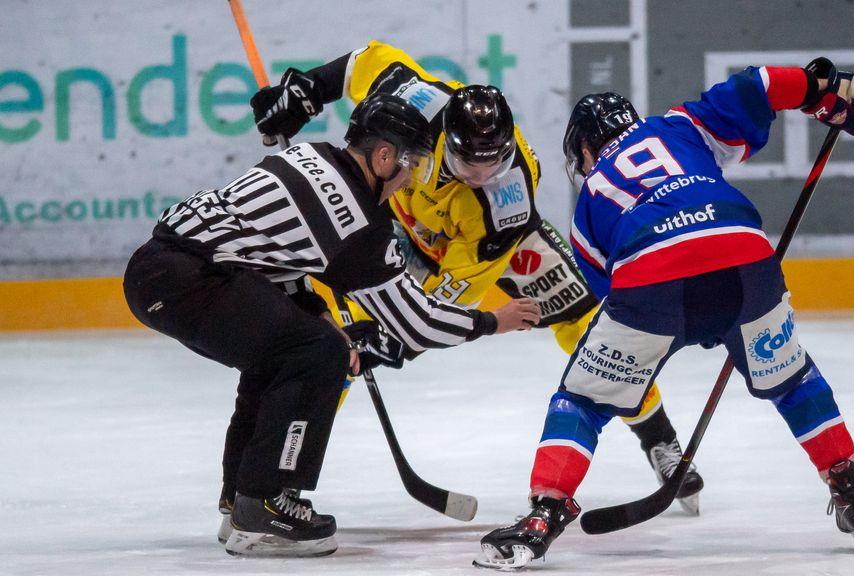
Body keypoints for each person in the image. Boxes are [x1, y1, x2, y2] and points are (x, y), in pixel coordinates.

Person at [247, 40, 705, 516]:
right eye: (471, 164)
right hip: (403, 232)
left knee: (590, 332)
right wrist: (309, 90)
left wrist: (390, 340)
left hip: (498, 250)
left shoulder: (504, 204)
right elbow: (365, 61)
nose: (483, 173)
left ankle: (659, 439)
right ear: (446, 139)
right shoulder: (417, 102)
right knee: (335, 346)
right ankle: (276, 479)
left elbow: (441, 303)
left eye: (495, 162)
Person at [473, 57, 854, 570]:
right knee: (793, 380)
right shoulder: (678, 128)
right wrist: (822, 91)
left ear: (583, 148)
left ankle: (545, 513)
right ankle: (847, 482)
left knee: (583, 399)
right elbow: (758, 85)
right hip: (744, 257)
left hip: (652, 278)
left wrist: (650, 346)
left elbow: (609, 292)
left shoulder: (592, 195)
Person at [122, 93, 540, 557]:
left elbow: (274, 255)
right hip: (192, 281)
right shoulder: (362, 224)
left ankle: (241, 500)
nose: (410, 178)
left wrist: (318, 313)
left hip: (161, 270)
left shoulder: (310, 154)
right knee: (319, 352)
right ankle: (265, 500)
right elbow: (415, 324)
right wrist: (490, 321)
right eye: (411, 163)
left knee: (282, 355)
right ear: (383, 157)